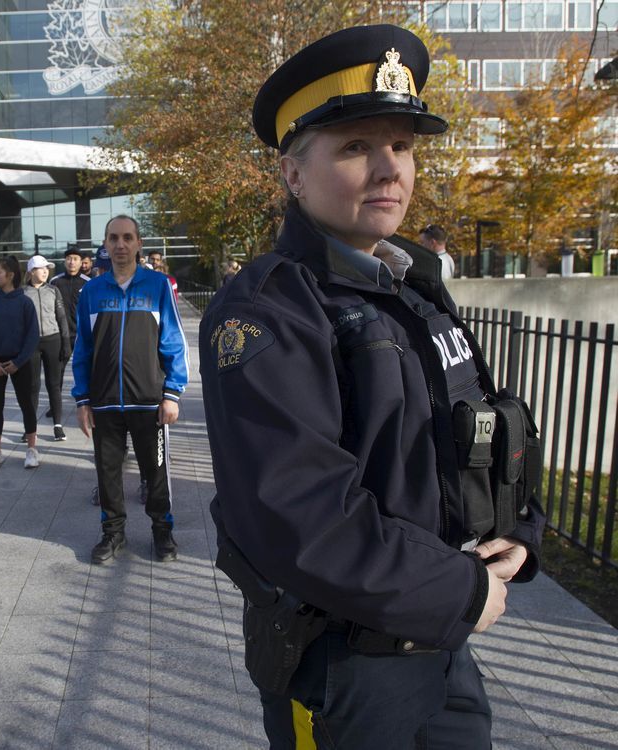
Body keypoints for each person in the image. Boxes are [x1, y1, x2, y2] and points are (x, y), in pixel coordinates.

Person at [199, 25, 545, 749]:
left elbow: (470, 433)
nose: (390, 169)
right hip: (345, 671)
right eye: (356, 147)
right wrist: (463, 591)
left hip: (443, 648)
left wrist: (518, 532)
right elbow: (302, 515)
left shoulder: (414, 285)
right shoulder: (269, 310)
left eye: (403, 146)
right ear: (293, 174)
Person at [73, 215, 189, 563]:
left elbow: (173, 340)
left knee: (155, 472)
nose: (120, 245)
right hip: (105, 402)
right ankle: (113, 534)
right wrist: (82, 399)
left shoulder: (157, 286)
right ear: (105, 245)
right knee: (107, 474)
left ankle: (162, 532)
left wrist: (172, 393)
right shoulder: (91, 292)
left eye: (127, 238)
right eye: (113, 238)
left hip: (149, 402)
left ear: (138, 243)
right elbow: (83, 348)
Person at [0, 255, 41, 469]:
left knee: (27, 405)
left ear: (10, 275)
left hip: (21, 363)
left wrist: (19, 361)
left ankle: (31, 449)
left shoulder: (25, 302)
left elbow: (32, 336)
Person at [24, 255, 71, 441]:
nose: (45, 271)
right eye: (41, 268)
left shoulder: (53, 290)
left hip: (53, 340)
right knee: (32, 386)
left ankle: (58, 426)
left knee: (54, 385)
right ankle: (30, 427)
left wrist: (66, 343)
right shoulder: (22, 293)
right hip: (31, 344)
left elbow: (61, 317)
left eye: (47, 268)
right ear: (31, 272)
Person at [51, 245, 90, 356]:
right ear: (64, 262)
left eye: (75, 259)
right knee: (59, 370)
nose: (71, 262)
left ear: (80, 262)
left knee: (84, 369)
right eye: (68, 259)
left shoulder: (88, 283)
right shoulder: (55, 282)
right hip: (61, 334)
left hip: (81, 334)